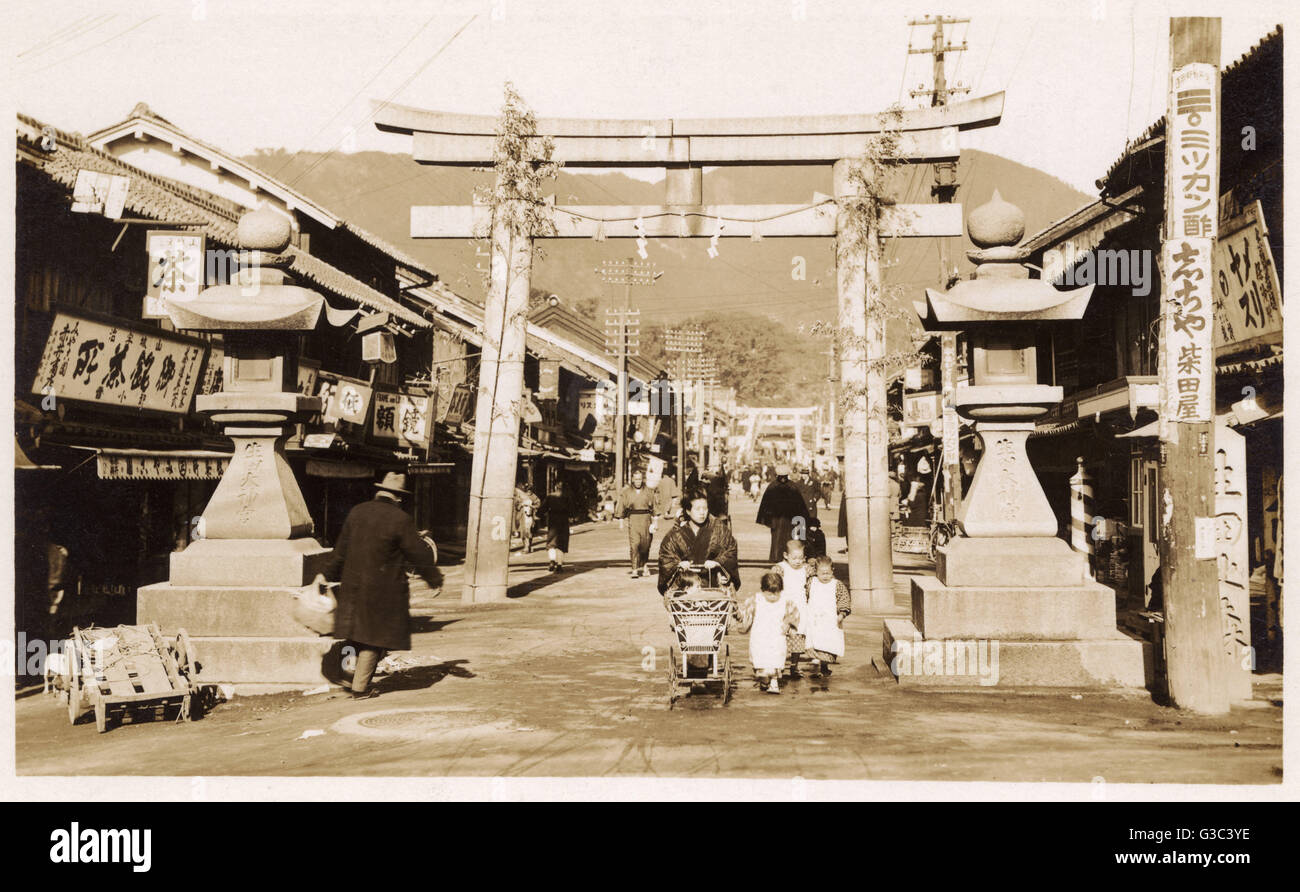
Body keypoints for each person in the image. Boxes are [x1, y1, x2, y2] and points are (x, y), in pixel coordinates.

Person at [323, 472, 441, 699]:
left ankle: (348, 674)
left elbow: (340, 551)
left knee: (353, 634)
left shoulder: (357, 512)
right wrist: (434, 579)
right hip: (382, 589)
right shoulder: (400, 518)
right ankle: (360, 688)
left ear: (379, 492)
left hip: (352, 585)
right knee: (374, 639)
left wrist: (325, 574)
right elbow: (418, 553)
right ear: (399, 497)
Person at [657, 487, 740, 596]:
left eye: (705, 508)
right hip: (686, 586)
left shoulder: (719, 528)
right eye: (697, 509)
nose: (702, 512)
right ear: (688, 511)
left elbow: (730, 550)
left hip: (714, 585)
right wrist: (678, 564)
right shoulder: (676, 534)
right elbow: (666, 557)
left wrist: (718, 562)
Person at [734, 570, 800, 694]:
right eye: (770, 594)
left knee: (776, 659)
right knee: (760, 659)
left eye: (777, 594)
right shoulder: (756, 600)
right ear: (763, 590)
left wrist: (788, 624)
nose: (773, 597)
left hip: (777, 636)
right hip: (760, 636)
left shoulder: (786, 602)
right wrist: (740, 616)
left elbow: (793, 614)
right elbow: (746, 614)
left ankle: (774, 683)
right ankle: (764, 680)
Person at [804, 555, 850, 677]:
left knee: (828, 642)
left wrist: (842, 613)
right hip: (814, 618)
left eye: (828, 573)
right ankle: (816, 660)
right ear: (816, 572)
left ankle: (824, 665)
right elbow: (804, 595)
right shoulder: (811, 582)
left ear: (832, 571)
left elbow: (843, 599)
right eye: (822, 573)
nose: (825, 576)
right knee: (814, 639)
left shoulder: (837, 585)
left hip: (829, 619)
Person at [756, 464, 810, 563]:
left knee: (785, 539)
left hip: (786, 520)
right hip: (780, 520)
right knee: (780, 539)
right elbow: (766, 504)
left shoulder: (775, 486)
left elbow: (799, 504)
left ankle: (781, 558)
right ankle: (778, 558)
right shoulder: (789, 486)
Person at [773, 538, 810, 676]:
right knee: (780, 636)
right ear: (786, 555)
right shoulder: (781, 568)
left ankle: (794, 665)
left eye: (801, 558)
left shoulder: (805, 569)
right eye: (794, 558)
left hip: (800, 605)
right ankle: (779, 664)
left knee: (798, 637)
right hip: (783, 605)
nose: (798, 561)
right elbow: (773, 584)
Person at [614, 468, 657, 578]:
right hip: (633, 519)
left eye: (640, 479)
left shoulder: (649, 491)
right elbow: (622, 506)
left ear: (642, 479)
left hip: (646, 519)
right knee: (634, 545)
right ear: (632, 479)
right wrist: (621, 522)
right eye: (636, 479)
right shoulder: (626, 492)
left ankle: (645, 565)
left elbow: (655, 508)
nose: (638, 481)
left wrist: (655, 522)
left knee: (645, 545)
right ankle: (634, 569)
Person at [540, 484, 571, 572]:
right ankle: (560, 565)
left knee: (551, 542)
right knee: (562, 543)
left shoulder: (550, 496)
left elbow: (543, 508)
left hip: (553, 521)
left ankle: (552, 561)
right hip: (564, 521)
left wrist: (538, 515)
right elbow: (572, 510)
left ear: (555, 488)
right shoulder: (567, 497)